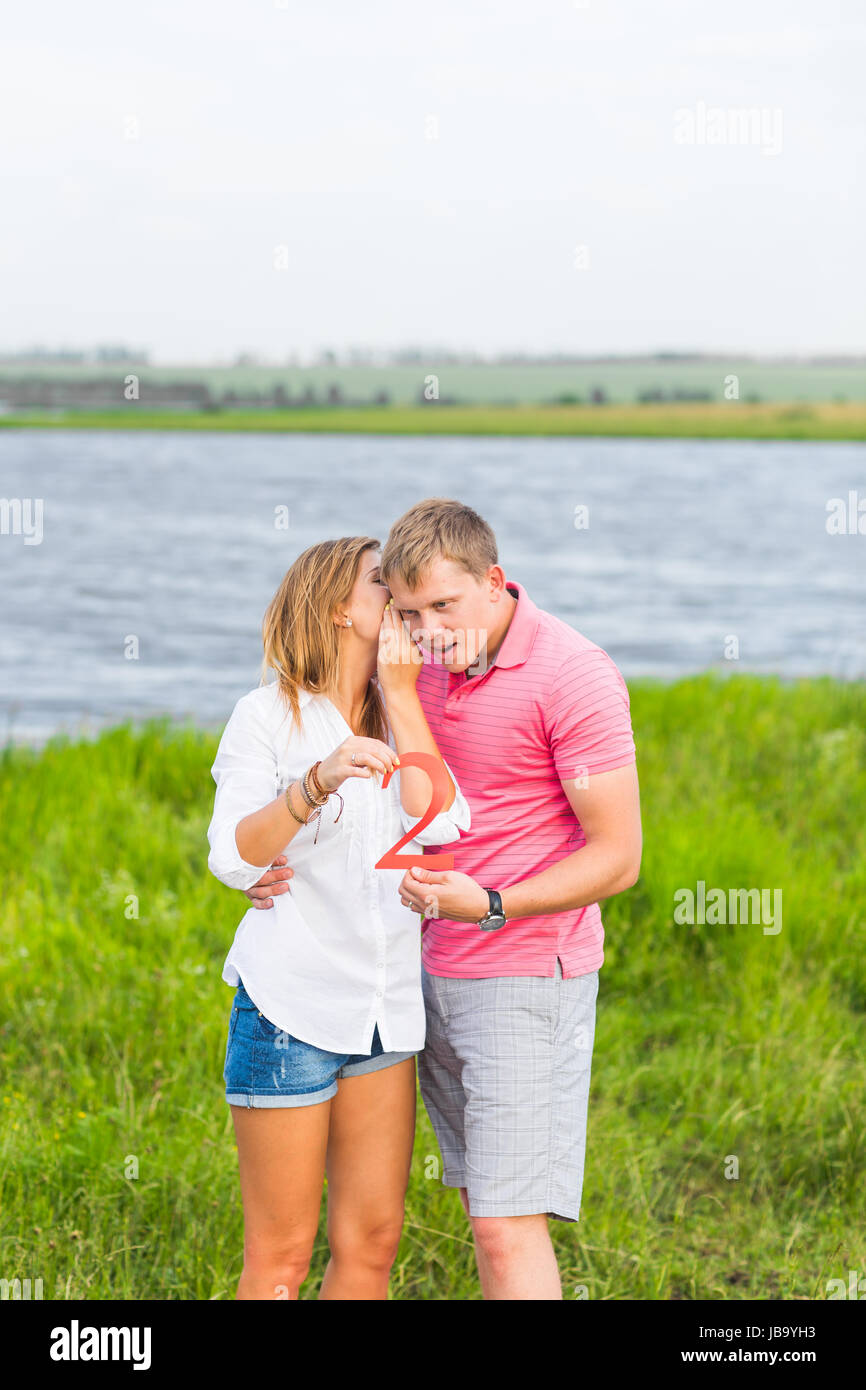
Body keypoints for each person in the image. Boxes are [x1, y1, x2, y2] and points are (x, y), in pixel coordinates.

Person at [246, 499, 642, 1301]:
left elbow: (620, 857)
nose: (426, 628)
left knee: (505, 1225)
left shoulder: (573, 674)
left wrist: (491, 901)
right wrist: (255, 853)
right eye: (408, 609)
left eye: (444, 606)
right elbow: (317, 735)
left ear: (494, 582)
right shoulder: (415, 663)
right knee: (476, 1204)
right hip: (407, 983)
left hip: (522, 974)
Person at [207, 535, 470, 1300]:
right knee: (282, 1259)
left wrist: (404, 695)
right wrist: (316, 782)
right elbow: (233, 855)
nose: (403, 595)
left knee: (372, 1245)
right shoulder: (266, 716)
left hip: (384, 1018)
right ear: (337, 609)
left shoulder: (411, 714)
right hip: (290, 1013)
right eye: (383, 582)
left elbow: (443, 827)